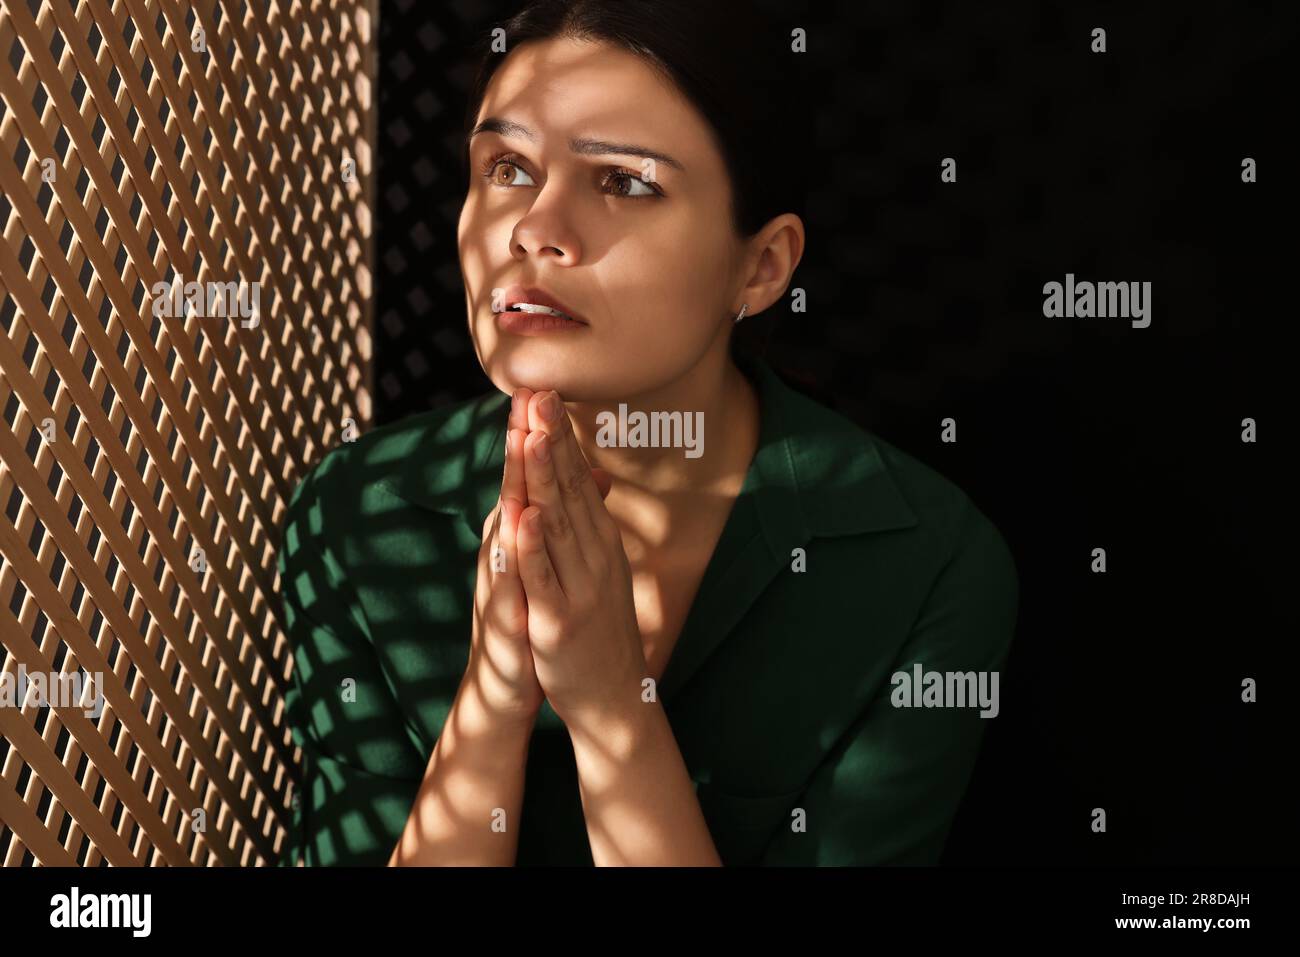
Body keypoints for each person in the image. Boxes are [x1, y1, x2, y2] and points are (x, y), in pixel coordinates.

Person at [275, 0, 1019, 867]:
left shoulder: (926, 564)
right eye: (508, 166)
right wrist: (492, 702)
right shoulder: (358, 514)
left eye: (625, 182)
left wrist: (612, 709)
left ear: (763, 266)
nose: (532, 231)